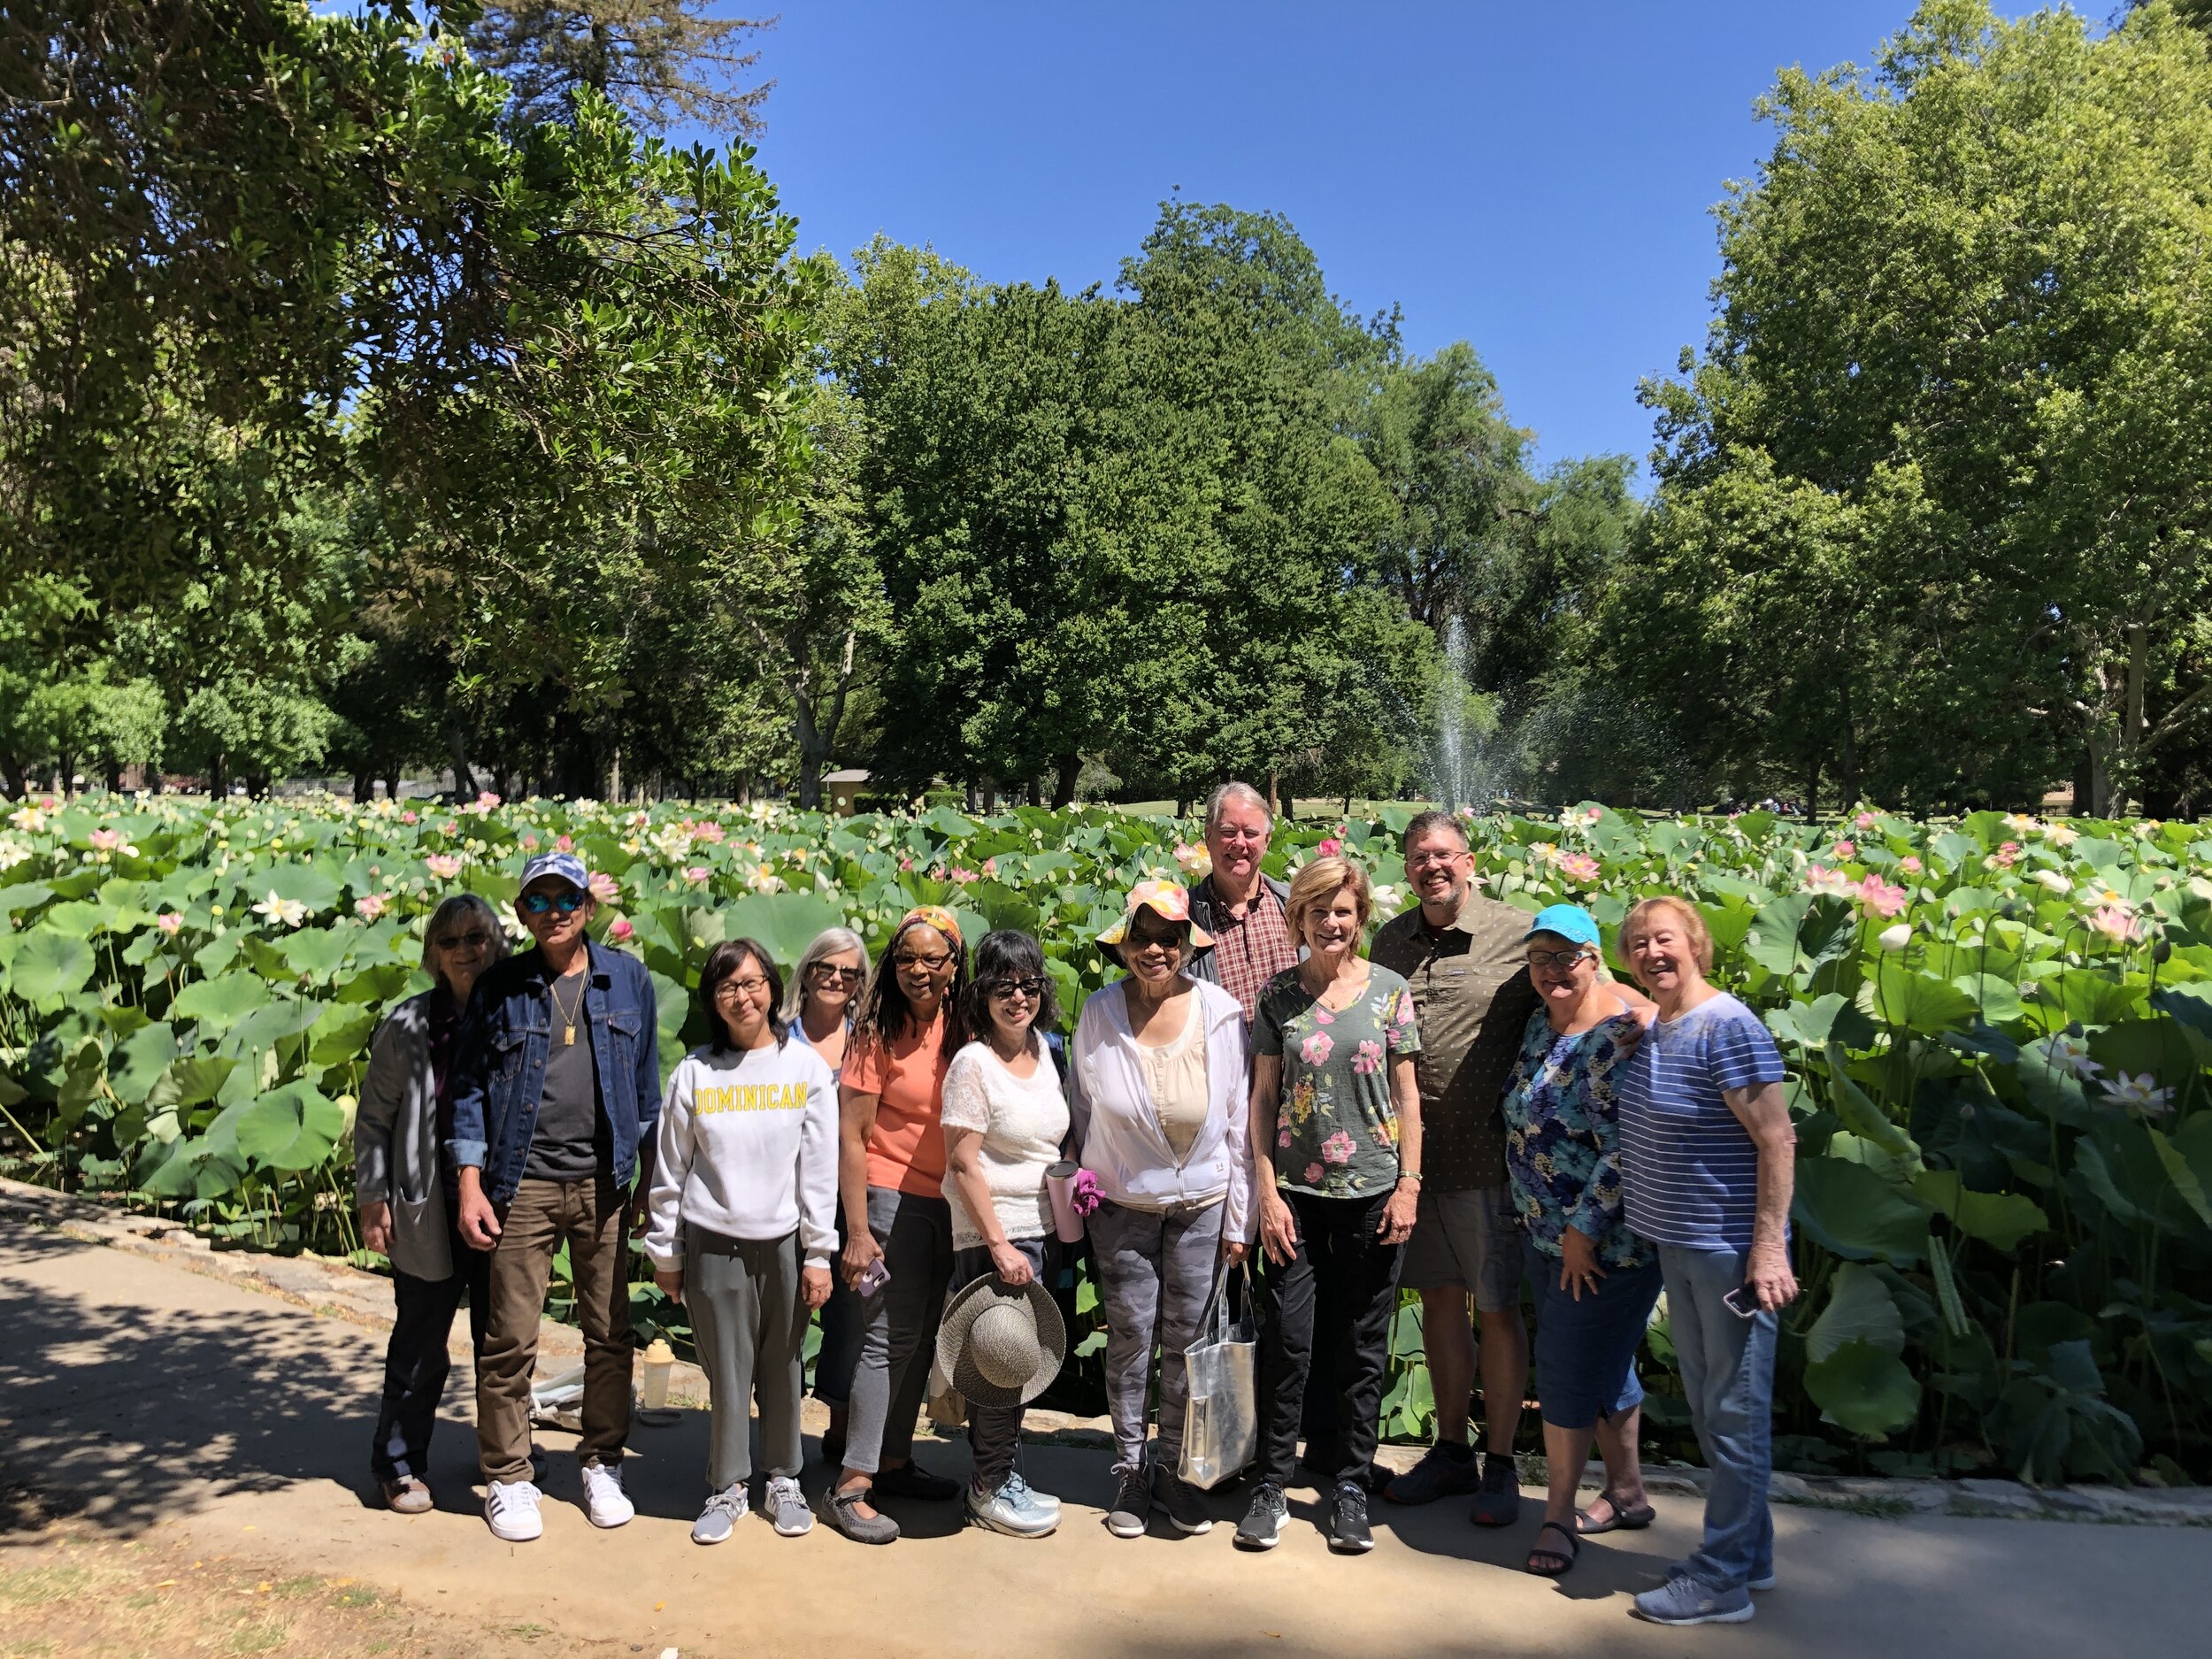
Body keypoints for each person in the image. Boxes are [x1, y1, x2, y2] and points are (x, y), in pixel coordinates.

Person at [448, 852, 661, 1544]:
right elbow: (470, 1091)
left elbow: (649, 1094)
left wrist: (650, 1182)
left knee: (609, 1332)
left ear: (588, 907)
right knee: (509, 1337)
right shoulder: (500, 987)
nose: (554, 912)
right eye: (537, 902)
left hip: (603, 1182)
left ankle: (600, 1461)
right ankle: (509, 1476)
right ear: (521, 914)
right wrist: (470, 1182)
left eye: (565, 898)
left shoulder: (628, 979)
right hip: (521, 1184)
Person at [1616, 895, 1797, 1627]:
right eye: (1638, 943)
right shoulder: (1663, 1025)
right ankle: (1751, 1554)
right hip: (1679, 1244)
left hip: (1728, 1254)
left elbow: (1778, 1139)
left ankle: (1721, 1577)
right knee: (1712, 1407)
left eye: (1665, 939)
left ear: (1696, 942)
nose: (1652, 952)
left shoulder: (1729, 1027)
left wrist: (1769, 1244)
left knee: (1734, 1412)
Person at [1237, 856, 1424, 1555]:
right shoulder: (1278, 995)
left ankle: (1350, 1486)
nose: (1332, 923)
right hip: (1297, 1201)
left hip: (1374, 1193)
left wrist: (1409, 1182)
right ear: (1300, 919)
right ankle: (1272, 1483)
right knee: (1289, 1343)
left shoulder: (1390, 992)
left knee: (1362, 1349)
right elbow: (1262, 1099)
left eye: (1343, 911)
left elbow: (1408, 1097)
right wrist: (1264, 1189)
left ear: (1360, 915)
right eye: (1319, 911)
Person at [1370, 810, 1539, 1525]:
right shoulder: (1389, 940)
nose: (1431, 866)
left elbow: (1580, 997)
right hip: (1412, 1166)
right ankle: (1450, 1450)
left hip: (1490, 1162)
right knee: (1439, 1300)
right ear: (1406, 867)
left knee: (1496, 1309)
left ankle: (1501, 1461)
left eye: (1443, 854)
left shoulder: (1518, 933)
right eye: (1417, 856)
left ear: (1469, 861)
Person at [1071, 881, 1254, 1539]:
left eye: (1168, 937)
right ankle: (1128, 1467)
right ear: (1124, 943)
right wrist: (1088, 1185)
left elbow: (1237, 1123)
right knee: (1128, 1338)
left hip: (1202, 1204)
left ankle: (1174, 1465)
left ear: (1186, 946)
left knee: (1184, 1341)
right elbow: (1082, 1109)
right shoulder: (1097, 1013)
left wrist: (1239, 1222)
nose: (1155, 948)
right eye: (1142, 935)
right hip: (1122, 1205)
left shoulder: (1222, 1012)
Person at [643, 939, 837, 1544]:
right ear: (714, 999)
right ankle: (726, 1485)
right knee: (727, 1371)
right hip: (713, 1241)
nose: (743, 995)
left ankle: (783, 1478)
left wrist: (818, 1251)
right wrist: (666, 1252)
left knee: (782, 1365)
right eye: (728, 986)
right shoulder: (695, 1072)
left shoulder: (802, 1067)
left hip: (783, 1240)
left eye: (753, 982)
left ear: (774, 989)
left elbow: (819, 1167)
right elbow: (671, 1168)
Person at [1502, 904, 1661, 1578]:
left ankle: (1558, 1514)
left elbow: (1628, 1147)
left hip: (1603, 1246)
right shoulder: (1545, 1022)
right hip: (1545, 1233)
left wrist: (1580, 1231)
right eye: (1540, 958)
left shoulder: (1624, 1034)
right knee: (1608, 1360)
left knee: (1567, 1369)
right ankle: (1626, 1492)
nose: (1552, 970)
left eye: (1566, 956)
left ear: (1596, 957)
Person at [355, 894, 507, 1512]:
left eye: (478, 937)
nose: (468, 950)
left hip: (502, 1204)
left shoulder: (518, 1013)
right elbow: (373, 1120)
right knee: (420, 1344)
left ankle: (506, 1456)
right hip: (426, 1207)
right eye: (452, 941)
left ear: (497, 944)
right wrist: (372, 1197)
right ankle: (397, 1462)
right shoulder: (407, 1025)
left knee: (503, 1342)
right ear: (434, 956)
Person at [824, 906, 971, 1544]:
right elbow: (851, 1137)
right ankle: (853, 1481)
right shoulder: (874, 1031)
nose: (918, 969)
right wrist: (858, 1230)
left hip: (947, 1204)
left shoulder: (963, 1026)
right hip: (887, 1200)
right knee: (885, 1338)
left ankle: (893, 1459)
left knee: (917, 1340)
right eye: (906, 957)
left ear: (953, 964)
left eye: (931, 957)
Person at [939, 929, 1071, 1537]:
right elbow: (965, 1161)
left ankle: (1001, 1473)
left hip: (1040, 1226)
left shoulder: (1048, 1051)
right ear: (982, 993)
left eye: (1029, 984)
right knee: (998, 1357)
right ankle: (988, 1487)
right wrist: (997, 1243)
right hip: (994, 1234)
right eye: (1003, 985)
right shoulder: (972, 1062)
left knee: (1020, 1360)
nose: (1018, 997)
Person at [785, 926, 870, 1465]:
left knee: (851, 1319)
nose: (837, 979)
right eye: (826, 968)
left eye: (849, 972)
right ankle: (779, 1432)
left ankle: (839, 1431)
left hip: (853, 1197)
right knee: (783, 1317)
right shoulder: (775, 1036)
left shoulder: (871, 1039)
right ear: (809, 972)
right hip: (785, 1196)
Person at [1183, 781, 1297, 1025]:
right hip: (1219, 1063)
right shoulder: (1182, 916)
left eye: (1251, 833)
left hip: (1293, 1062)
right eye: (1228, 832)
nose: (1239, 843)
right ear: (1208, 835)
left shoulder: (1296, 907)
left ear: (1267, 840)